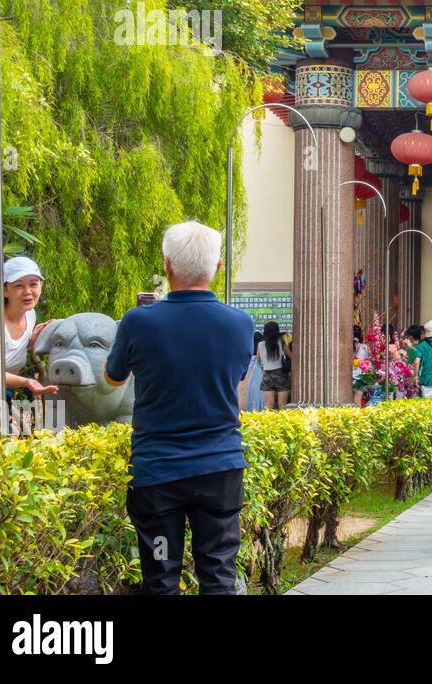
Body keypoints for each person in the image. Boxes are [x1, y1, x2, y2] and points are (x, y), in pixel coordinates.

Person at [105, 221, 253, 595]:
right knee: (219, 573)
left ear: (167, 265)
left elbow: (113, 379)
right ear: (218, 266)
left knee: (160, 576)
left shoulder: (138, 322)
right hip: (220, 470)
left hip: (157, 475)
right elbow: (236, 380)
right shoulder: (240, 324)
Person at [0, 256, 58, 437]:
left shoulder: (29, 315)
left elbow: (10, 349)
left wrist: (32, 341)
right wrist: (27, 382)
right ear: (4, 290)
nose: (28, 292)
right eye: (19, 285)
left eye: (34, 284)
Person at [258, 321, 289, 410]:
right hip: (281, 375)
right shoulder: (281, 343)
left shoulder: (260, 344)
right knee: (282, 405)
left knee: (268, 405)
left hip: (267, 375)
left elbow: (259, 360)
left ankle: (269, 423)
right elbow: (290, 356)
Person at [240, 330, 265, 412]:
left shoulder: (247, 356)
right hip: (260, 377)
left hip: (249, 381)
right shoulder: (261, 352)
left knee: (250, 395)